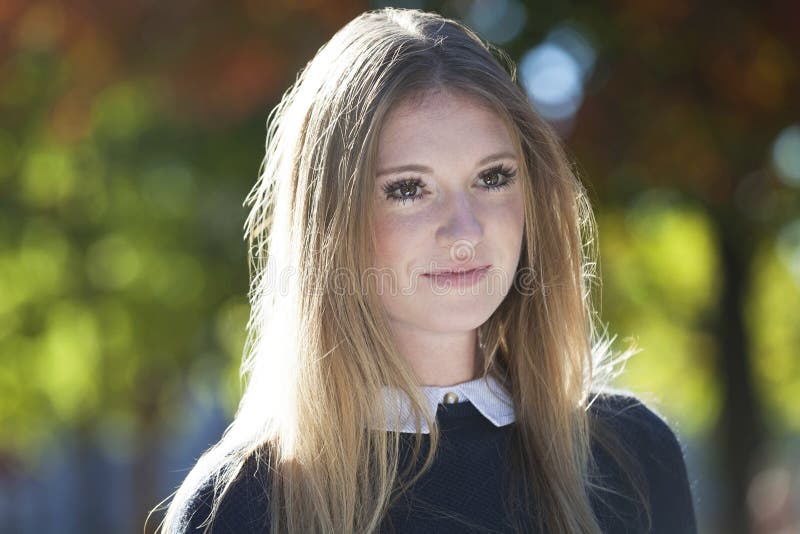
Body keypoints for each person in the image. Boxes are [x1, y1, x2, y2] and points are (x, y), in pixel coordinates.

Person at [154, 7, 697, 533]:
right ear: (331, 224)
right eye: (409, 189)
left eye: (492, 178)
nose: (465, 231)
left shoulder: (632, 457)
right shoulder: (240, 506)